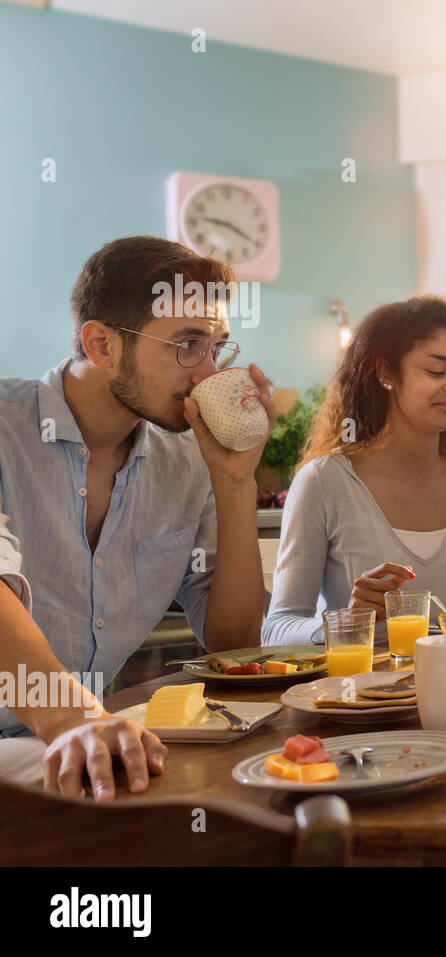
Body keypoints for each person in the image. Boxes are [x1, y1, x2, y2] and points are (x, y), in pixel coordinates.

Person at [0, 237, 274, 798]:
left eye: (217, 347)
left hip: (81, 729)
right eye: (188, 344)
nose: (208, 374)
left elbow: (233, 641)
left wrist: (236, 483)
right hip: (52, 731)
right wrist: (76, 722)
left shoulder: (187, 460)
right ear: (101, 344)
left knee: (264, 788)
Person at [263, 295, 446, 645]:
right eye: (437, 371)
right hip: (349, 694)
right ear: (386, 373)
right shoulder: (324, 481)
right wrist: (348, 621)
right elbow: (276, 630)